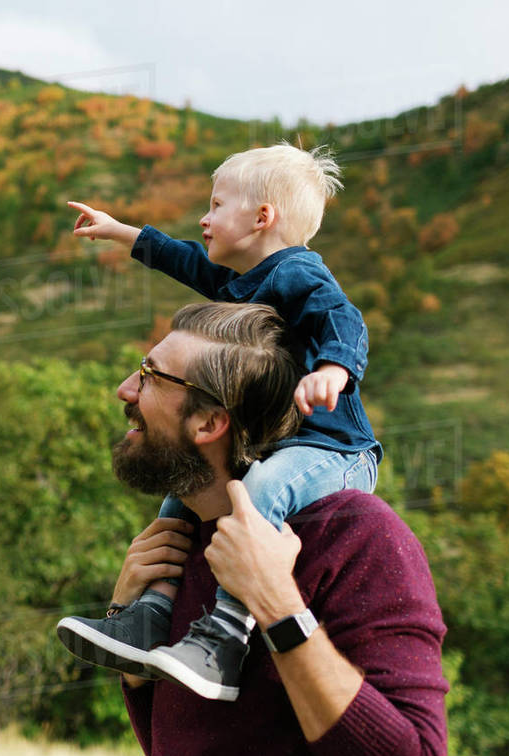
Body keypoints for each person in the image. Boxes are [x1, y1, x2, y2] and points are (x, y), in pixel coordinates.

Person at [70, 302, 447, 756]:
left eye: (150, 376)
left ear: (208, 424)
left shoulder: (357, 534)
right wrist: (135, 629)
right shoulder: (180, 548)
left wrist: (276, 603)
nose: (125, 389)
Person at [57, 143, 382, 701]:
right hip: (280, 443)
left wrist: (334, 368)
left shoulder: (297, 272)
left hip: (334, 451)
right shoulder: (241, 282)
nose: (203, 219)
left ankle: (223, 639)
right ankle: (150, 615)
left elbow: (342, 318)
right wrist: (119, 231)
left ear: (262, 218)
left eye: (216, 205)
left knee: (260, 490)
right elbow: (182, 259)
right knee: (181, 490)